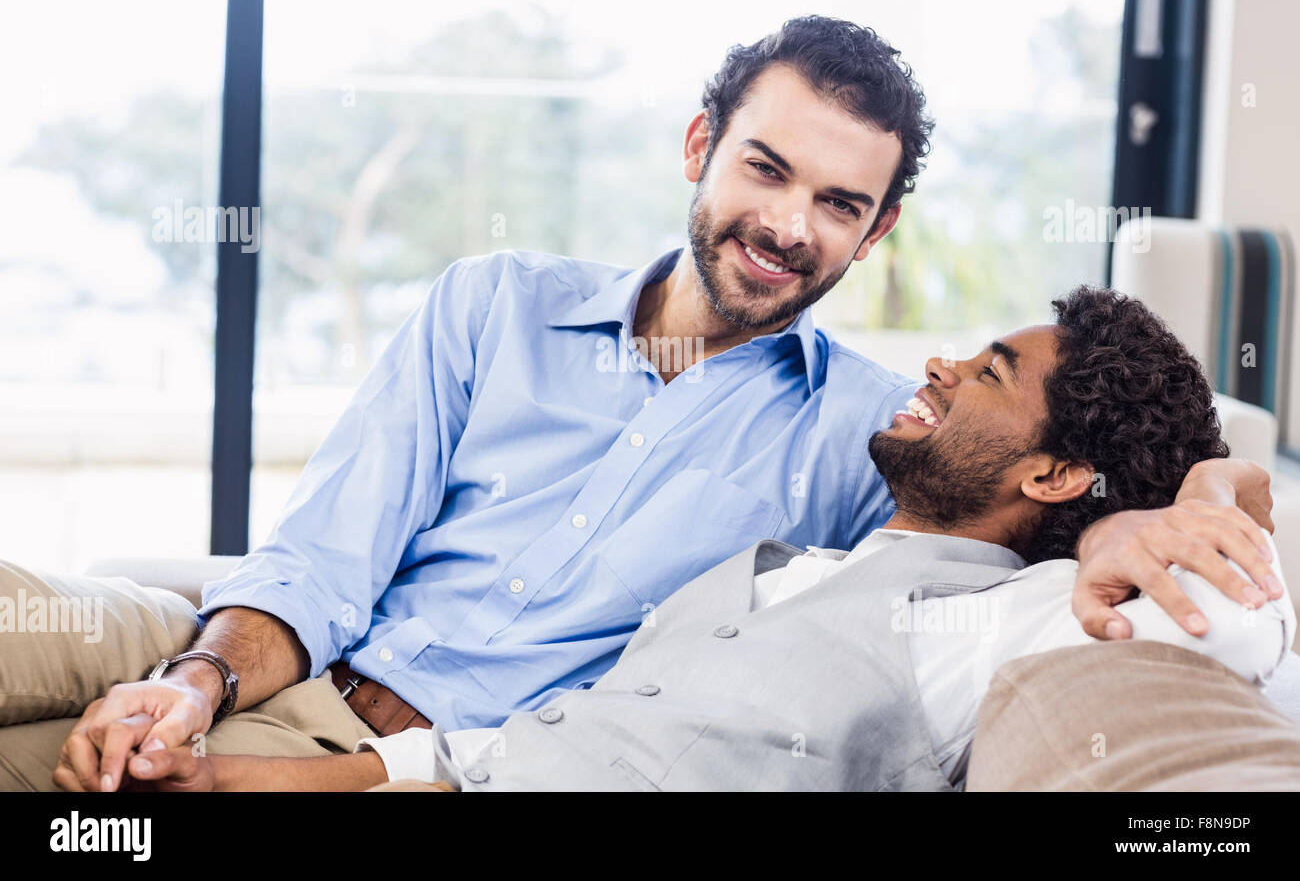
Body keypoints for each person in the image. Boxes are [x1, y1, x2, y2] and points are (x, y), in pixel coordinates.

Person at [0, 17, 1278, 793]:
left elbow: (1124, 463)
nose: (787, 227)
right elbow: (323, 555)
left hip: (370, 758)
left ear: (876, 232)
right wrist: (197, 678)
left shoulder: (878, 439)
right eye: (766, 169)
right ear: (697, 148)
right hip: (233, 646)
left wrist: (1145, 518)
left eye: (838, 206)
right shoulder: (490, 303)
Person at [112, 286, 1295, 791]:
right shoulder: (793, 564)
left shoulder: (1011, 616)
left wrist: (1187, 496)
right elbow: (530, 751)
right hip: (334, 738)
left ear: (1052, 474)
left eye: (989, 370)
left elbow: (1240, 632)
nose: (939, 361)